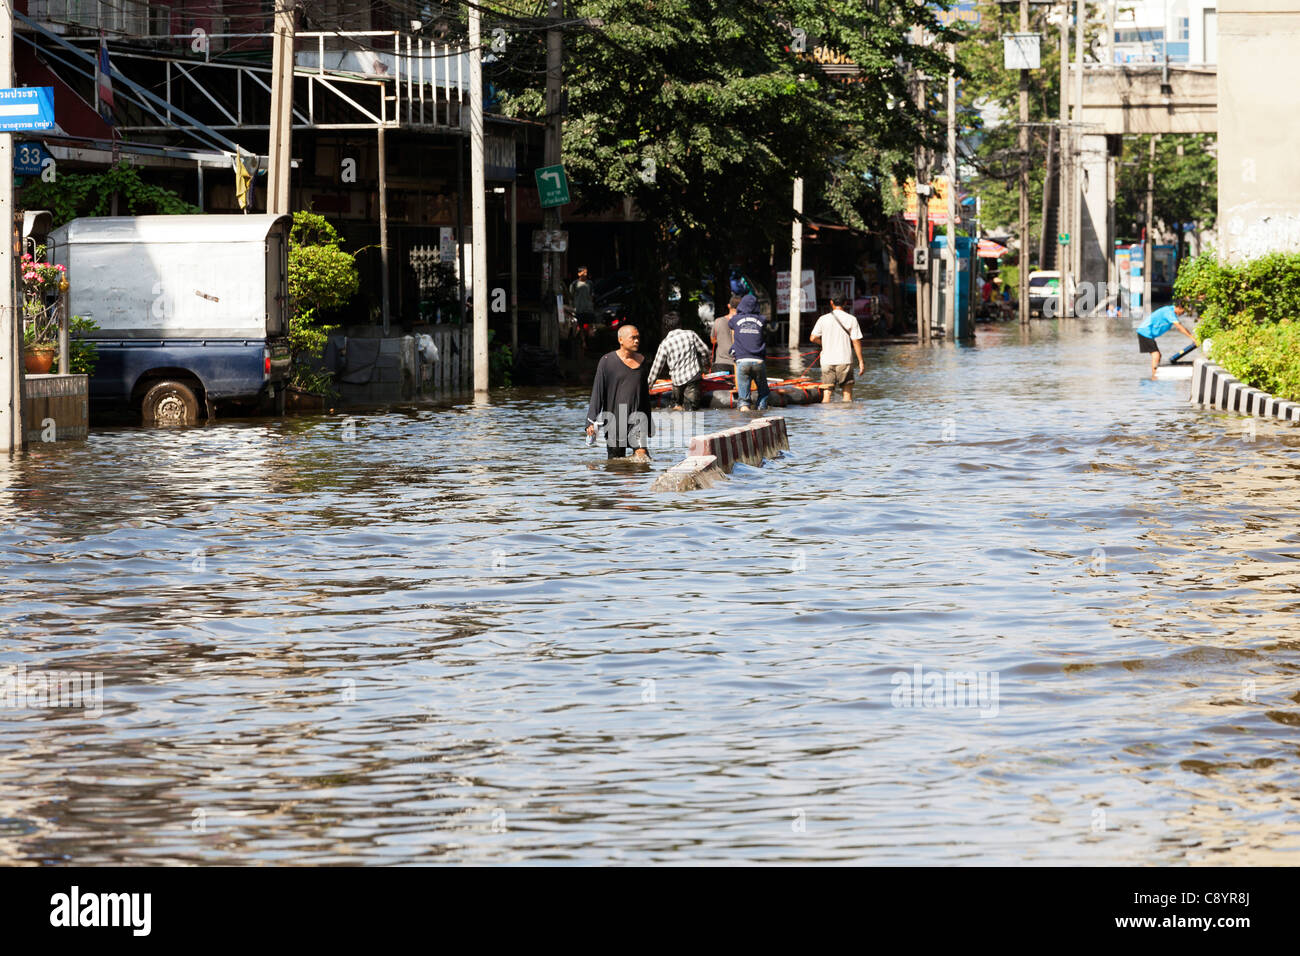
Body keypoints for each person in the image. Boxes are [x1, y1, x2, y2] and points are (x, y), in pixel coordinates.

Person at [586, 324, 652, 459]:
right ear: (621, 340)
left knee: (642, 458)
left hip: (637, 421)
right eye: (633, 338)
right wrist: (590, 421)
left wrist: (649, 423)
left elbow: (645, 396)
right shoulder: (607, 362)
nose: (637, 341)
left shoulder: (642, 361)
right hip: (614, 423)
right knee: (616, 465)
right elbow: (597, 392)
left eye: (638, 337)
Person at [810, 294, 866, 402]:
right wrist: (861, 362)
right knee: (847, 395)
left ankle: (825, 418)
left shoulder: (823, 319)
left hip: (827, 360)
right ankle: (845, 418)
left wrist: (824, 344)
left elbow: (813, 338)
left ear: (831, 302)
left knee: (827, 394)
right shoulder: (851, 319)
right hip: (844, 360)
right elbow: (856, 341)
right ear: (845, 303)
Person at [647, 321, 711, 411]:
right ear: (680, 325)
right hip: (693, 377)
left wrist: (648, 386)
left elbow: (656, 368)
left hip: (677, 382)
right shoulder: (690, 334)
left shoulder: (664, 344)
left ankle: (677, 407)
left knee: (678, 410)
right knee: (691, 411)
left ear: (666, 328)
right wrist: (707, 365)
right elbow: (705, 351)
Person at [728, 293, 769, 411]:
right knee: (763, 393)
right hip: (758, 361)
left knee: (744, 399)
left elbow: (730, 324)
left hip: (742, 361)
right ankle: (761, 416)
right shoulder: (762, 319)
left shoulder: (735, 320)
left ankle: (744, 418)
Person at [1135, 301, 1196, 378]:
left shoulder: (1170, 311)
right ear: (1179, 307)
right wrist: (1192, 337)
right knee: (1156, 355)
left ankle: (1155, 374)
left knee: (1158, 355)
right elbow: (1179, 327)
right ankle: (1154, 377)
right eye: (1183, 311)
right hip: (1145, 332)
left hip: (1147, 333)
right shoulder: (1169, 312)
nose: (1183, 313)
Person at [712, 295, 739, 374]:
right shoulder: (743, 323)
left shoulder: (718, 321)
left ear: (728, 306)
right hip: (738, 364)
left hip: (721, 363)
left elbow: (713, 340)